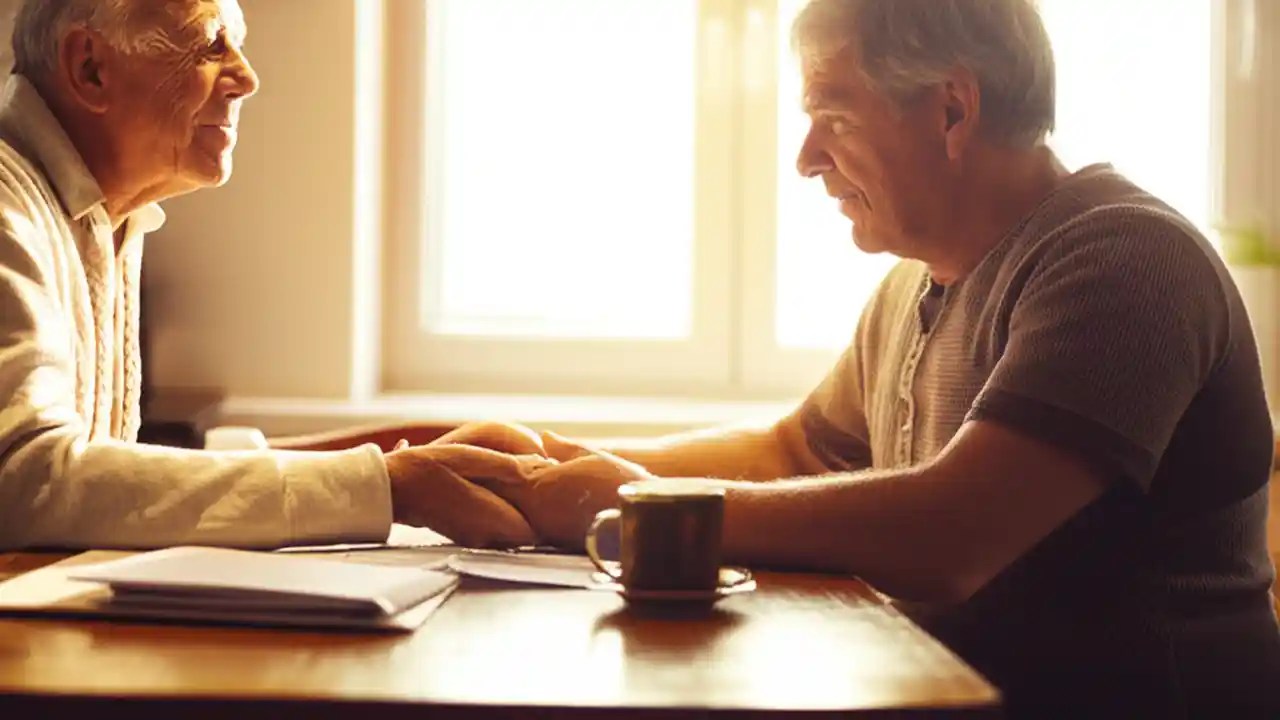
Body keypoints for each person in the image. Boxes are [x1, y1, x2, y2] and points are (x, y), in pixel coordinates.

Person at [455, 0, 1280, 715]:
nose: (806, 157)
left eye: (835, 117)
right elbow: (797, 452)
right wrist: (569, 464)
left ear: (953, 110)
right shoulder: (914, 285)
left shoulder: (1123, 260)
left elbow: (952, 532)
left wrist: (636, 505)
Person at [0, 0, 549, 551]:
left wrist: (395, 471)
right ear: (90, 68)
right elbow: (26, 484)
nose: (247, 78)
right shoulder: (7, 206)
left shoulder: (105, 220)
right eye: (211, 43)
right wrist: (392, 489)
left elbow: (94, 488)